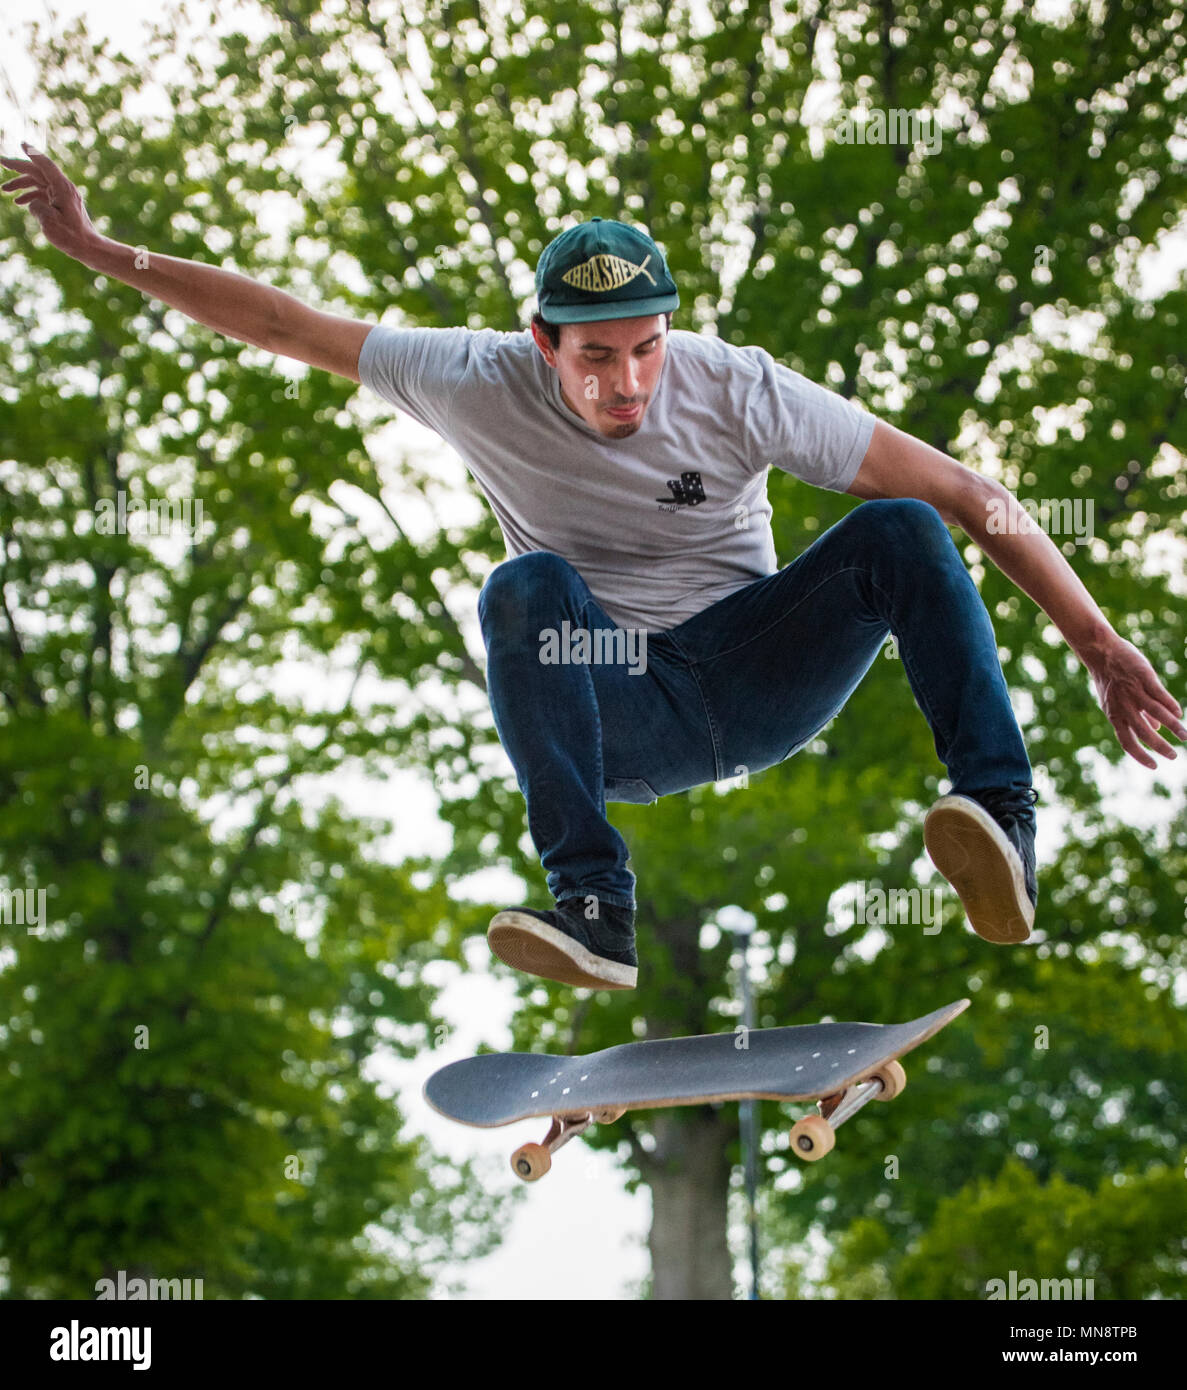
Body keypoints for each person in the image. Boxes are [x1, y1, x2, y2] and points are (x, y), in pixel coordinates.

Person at [6, 145, 1183, 993]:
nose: (626, 386)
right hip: (618, 699)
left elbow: (971, 495)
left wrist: (1096, 641)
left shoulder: (734, 385)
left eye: (645, 354)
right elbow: (284, 324)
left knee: (904, 530)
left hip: (760, 675)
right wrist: (100, 249)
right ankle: (593, 907)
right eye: (596, 361)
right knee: (522, 592)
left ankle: (1000, 818)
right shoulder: (468, 377)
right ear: (540, 345)